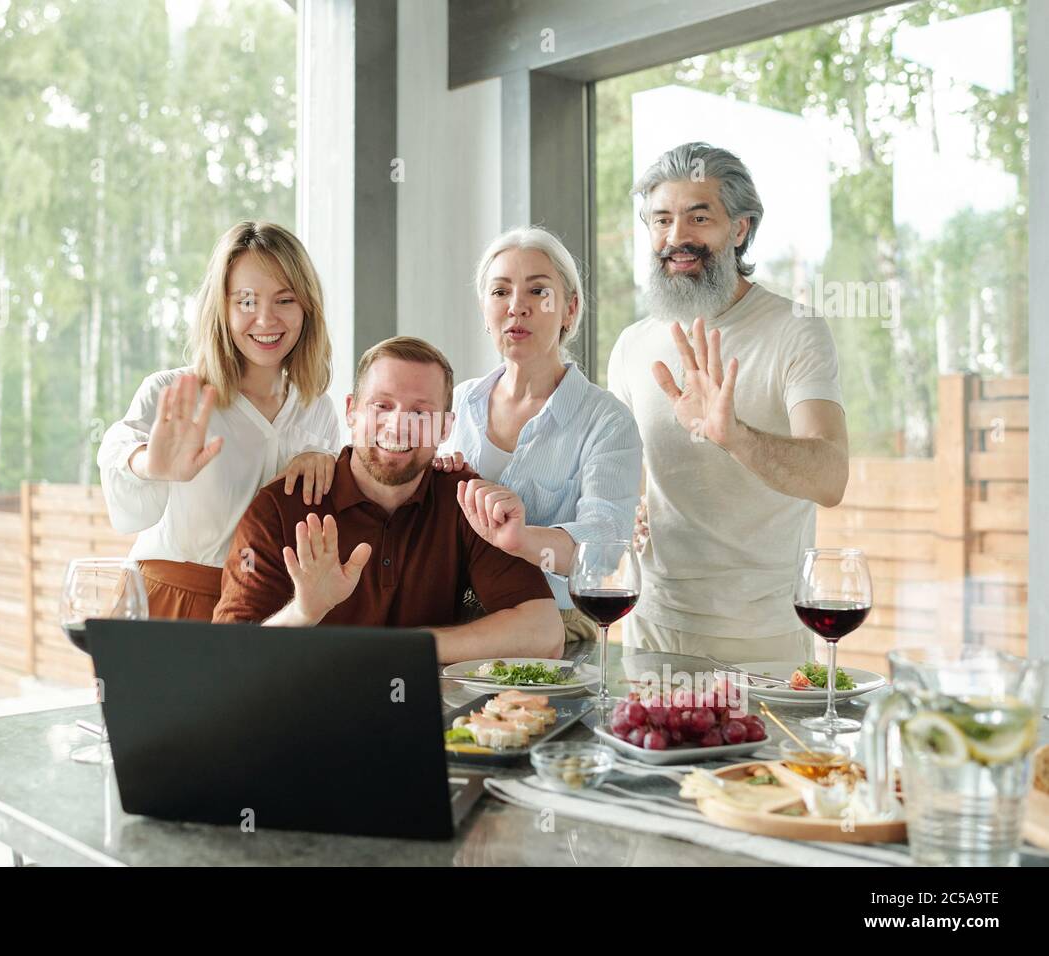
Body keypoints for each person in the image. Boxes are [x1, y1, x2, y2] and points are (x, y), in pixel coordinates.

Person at [607, 142, 849, 664]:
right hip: (652, 626)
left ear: (739, 229)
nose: (676, 238)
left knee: (762, 752)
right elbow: (620, 483)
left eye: (699, 217)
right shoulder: (632, 346)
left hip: (764, 635)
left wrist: (734, 436)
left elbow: (830, 477)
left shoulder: (796, 330)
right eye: (661, 220)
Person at [212, 336, 564, 664]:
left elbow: (545, 633)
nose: (398, 426)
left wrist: (401, 648)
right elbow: (227, 658)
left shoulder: (464, 500)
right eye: (381, 406)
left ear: (445, 428)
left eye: (421, 413)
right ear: (351, 412)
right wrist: (303, 612)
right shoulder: (279, 507)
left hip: (433, 718)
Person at [98, 221, 341, 620]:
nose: (265, 320)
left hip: (269, 609)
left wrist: (325, 460)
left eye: (284, 300)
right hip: (170, 603)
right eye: (246, 301)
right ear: (222, 308)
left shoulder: (318, 409)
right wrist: (150, 465)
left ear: (306, 308)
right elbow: (119, 460)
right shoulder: (173, 392)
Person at [431, 226, 641, 644]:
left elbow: (602, 550)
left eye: (537, 292)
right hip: (454, 617)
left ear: (569, 309)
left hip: (556, 625)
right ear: (484, 309)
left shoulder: (607, 421)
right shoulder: (457, 401)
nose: (516, 308)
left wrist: (522, 539)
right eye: (500, 292)